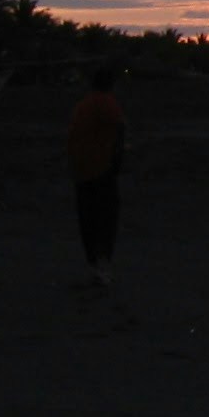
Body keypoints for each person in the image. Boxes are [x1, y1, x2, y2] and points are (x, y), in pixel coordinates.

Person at [65, 64, 126, 285]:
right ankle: (102, 265)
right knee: (105, 219)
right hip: (99, 169)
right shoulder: (106, 103)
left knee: (88, 219)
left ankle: (94, 265)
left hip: (81, 169)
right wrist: (117, 160)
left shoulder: (82, 106)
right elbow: (120, 128)